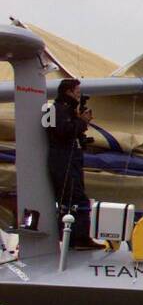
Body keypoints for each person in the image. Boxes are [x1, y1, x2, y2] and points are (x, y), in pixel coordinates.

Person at [46, 78, 95, 248]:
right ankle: (78, 238)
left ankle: (76, 237)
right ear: (68, 92)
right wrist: (82, 122)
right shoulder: (58, 110)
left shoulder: (57, 110)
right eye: (77, 92)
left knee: (74, 198)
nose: (78, 95)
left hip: (67, 159)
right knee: (76, 198)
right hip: (64, 161)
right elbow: (62, 132)